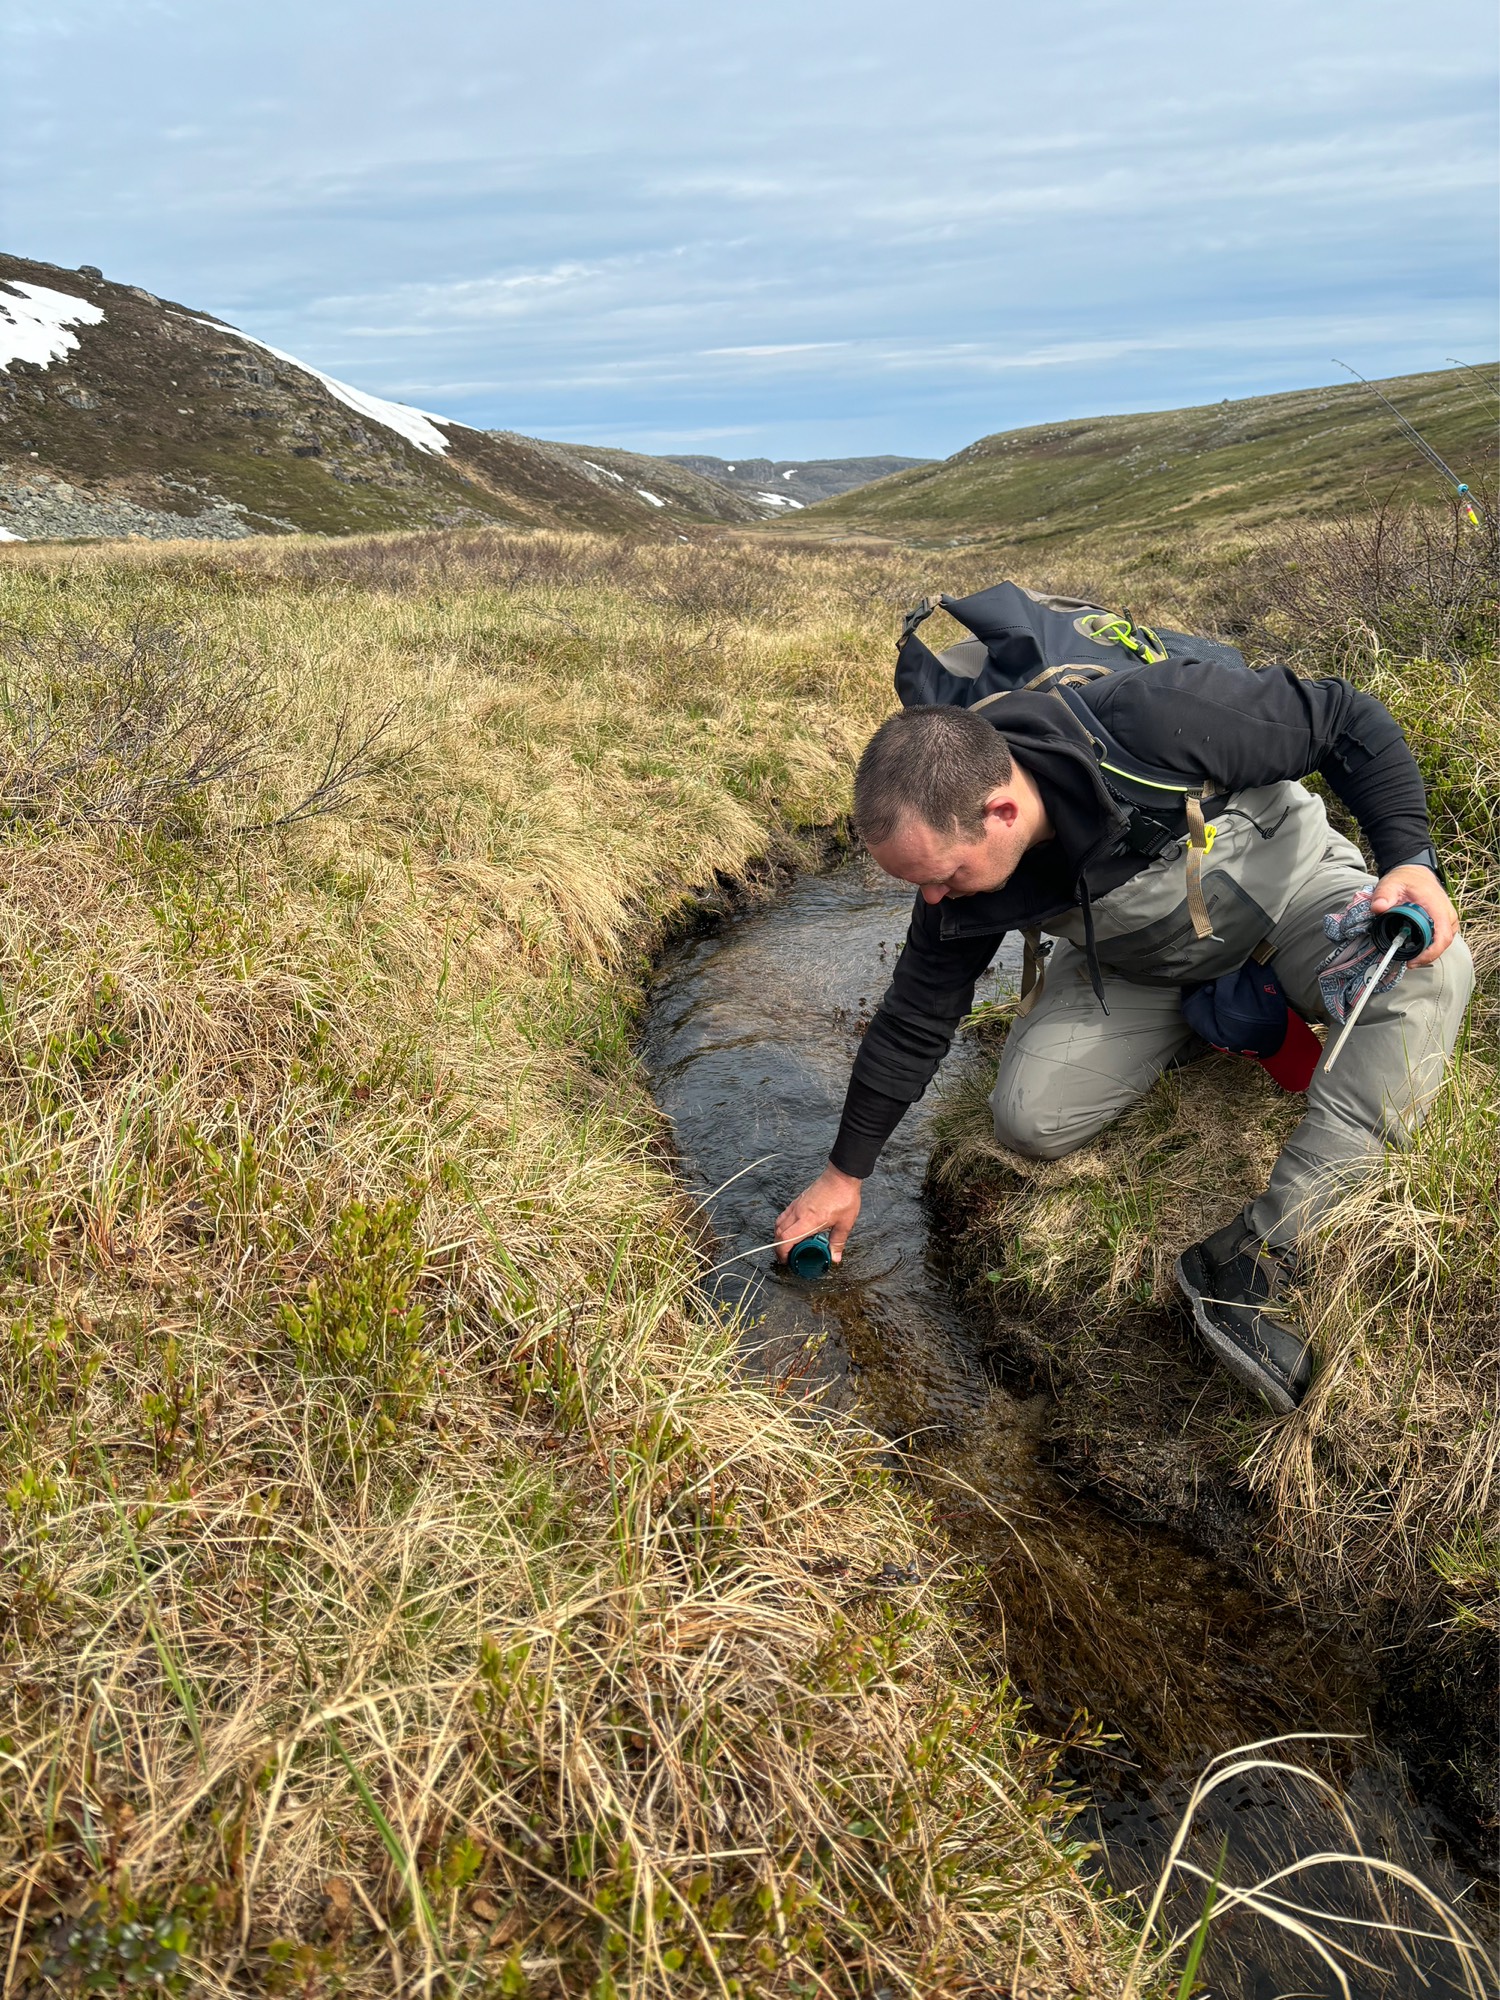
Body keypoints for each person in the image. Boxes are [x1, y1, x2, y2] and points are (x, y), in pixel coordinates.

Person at [773, 658, 1472, 1412]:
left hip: (1290, 901)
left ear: (1001, 812)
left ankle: (1264, 1253)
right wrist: (844, 1176)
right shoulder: (952, 879)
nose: (934, 898)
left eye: (942, 875)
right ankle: (1213, 1014)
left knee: (1427, 971)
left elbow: (1345, 715)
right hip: (1139, 966)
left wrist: (1411, 860)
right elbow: (914, 1019)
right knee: (1029, 1121)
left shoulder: (1157, 717)